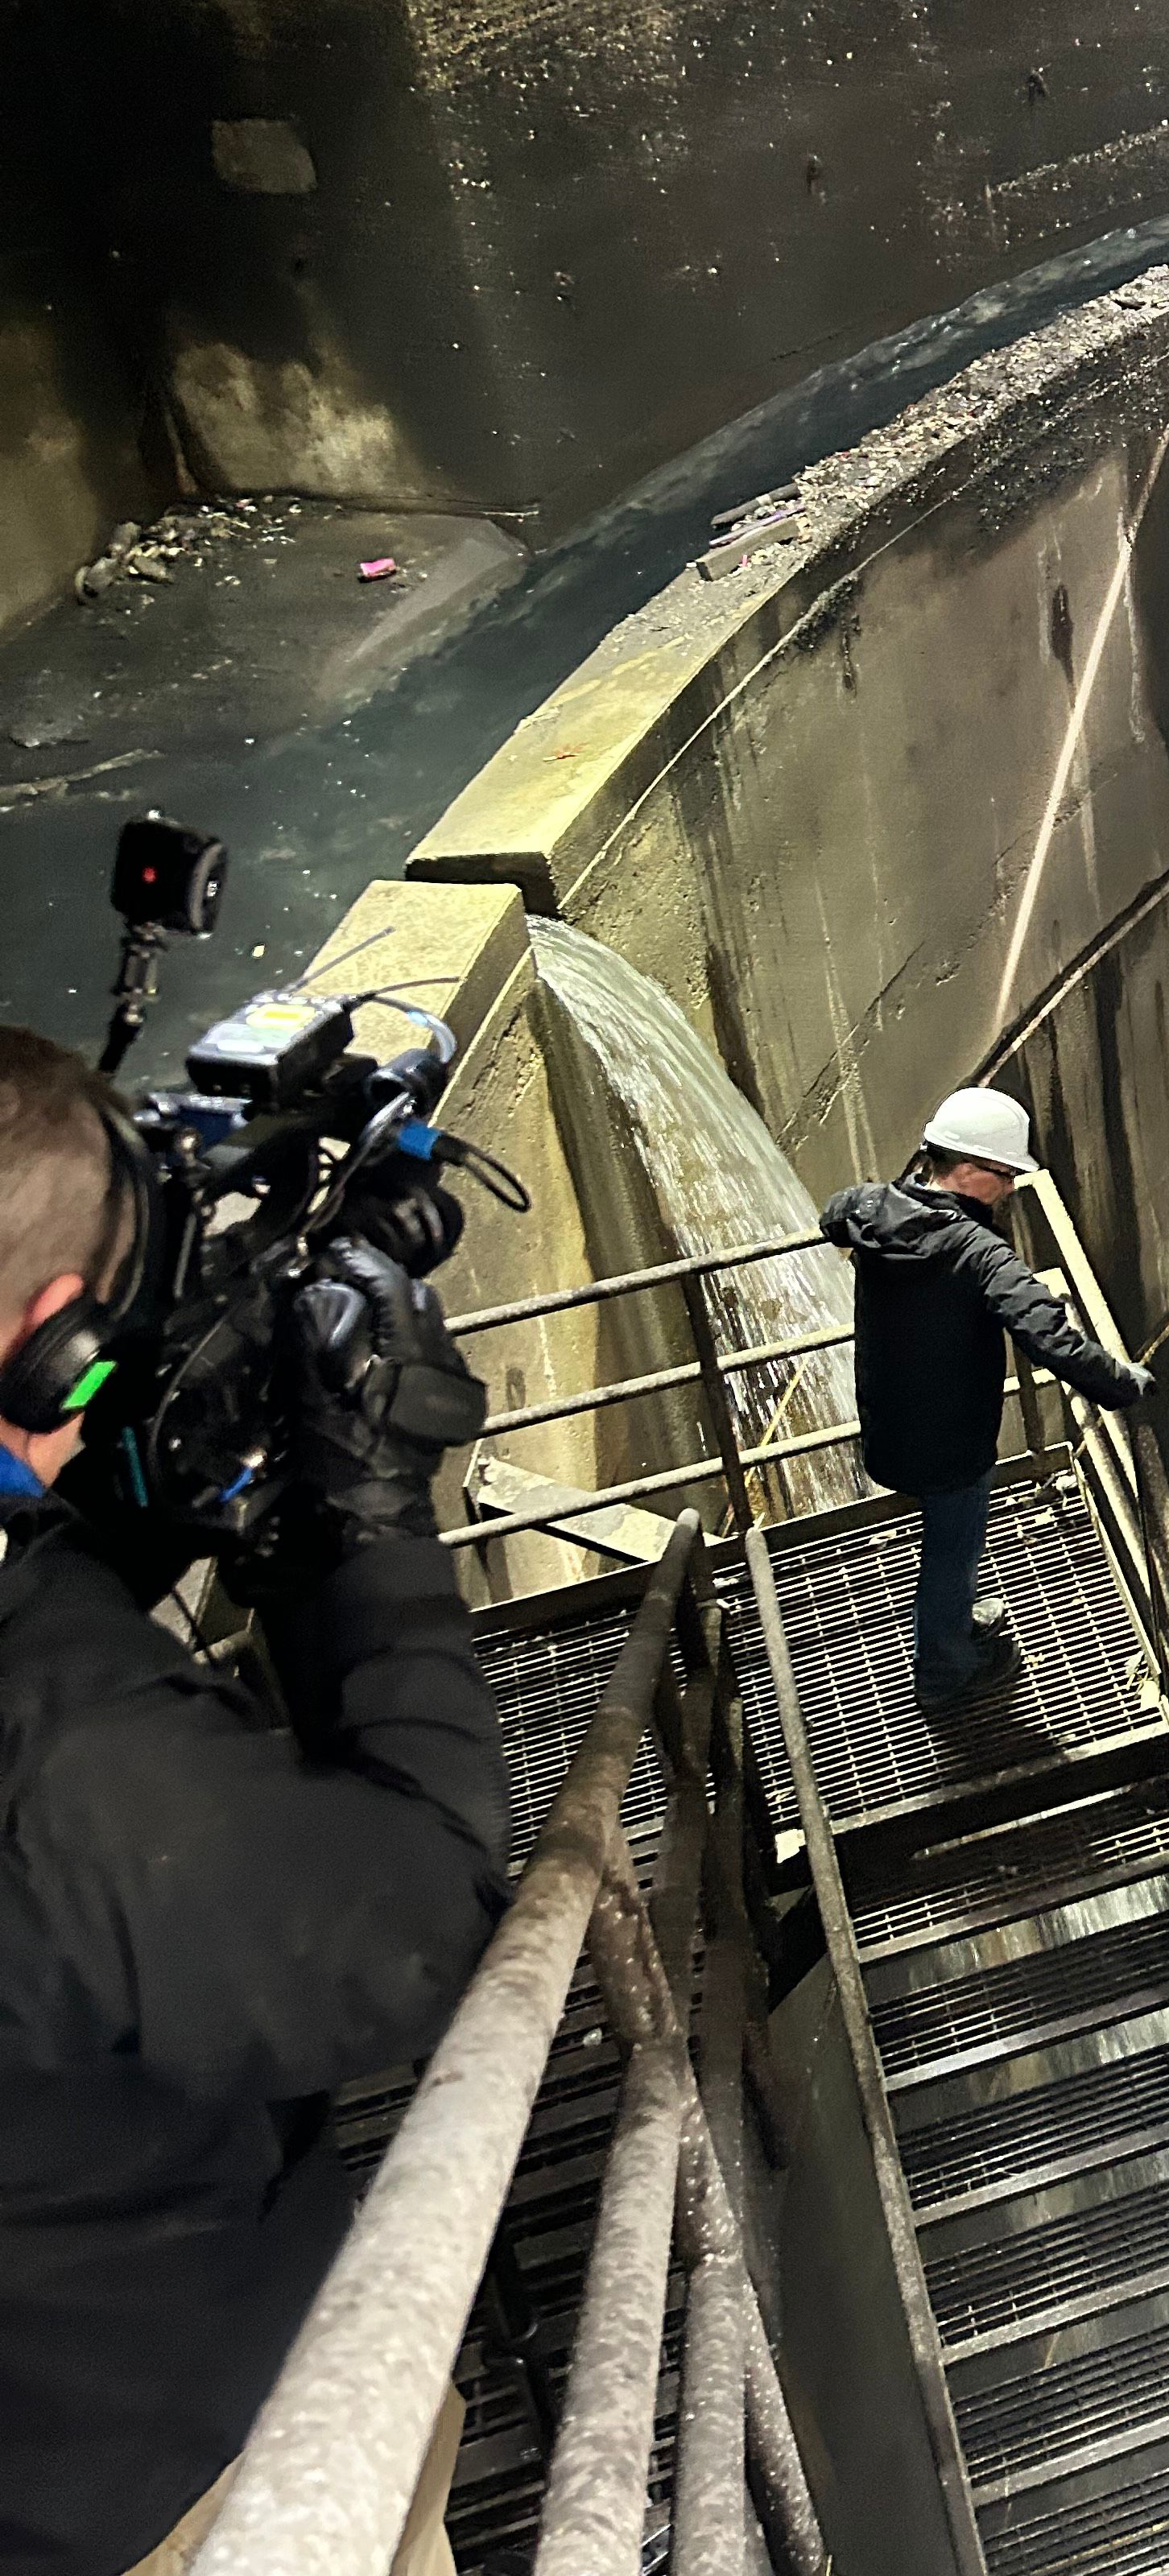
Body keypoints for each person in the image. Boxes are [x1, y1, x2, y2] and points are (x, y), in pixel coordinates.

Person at [0, 1026, 511, 2576]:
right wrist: (367, 1524)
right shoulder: (75, 1768)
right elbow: (416, 1927)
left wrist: (112, 1509)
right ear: (47, 1340)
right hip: (163, 2481)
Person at [823, 1086, 1151, 1715]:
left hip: (888, 1425)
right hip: (951, 1442)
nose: (1008, 1189)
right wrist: (1123, 1383)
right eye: (1003, 1175)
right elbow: (1046, 1335)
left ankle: (958, 1619)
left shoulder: (870, 1209)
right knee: (953, 1547)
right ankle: (946, 1670)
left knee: (949, 1540)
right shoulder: (980, 1253)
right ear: (969, 1172)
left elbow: (833, 1215)